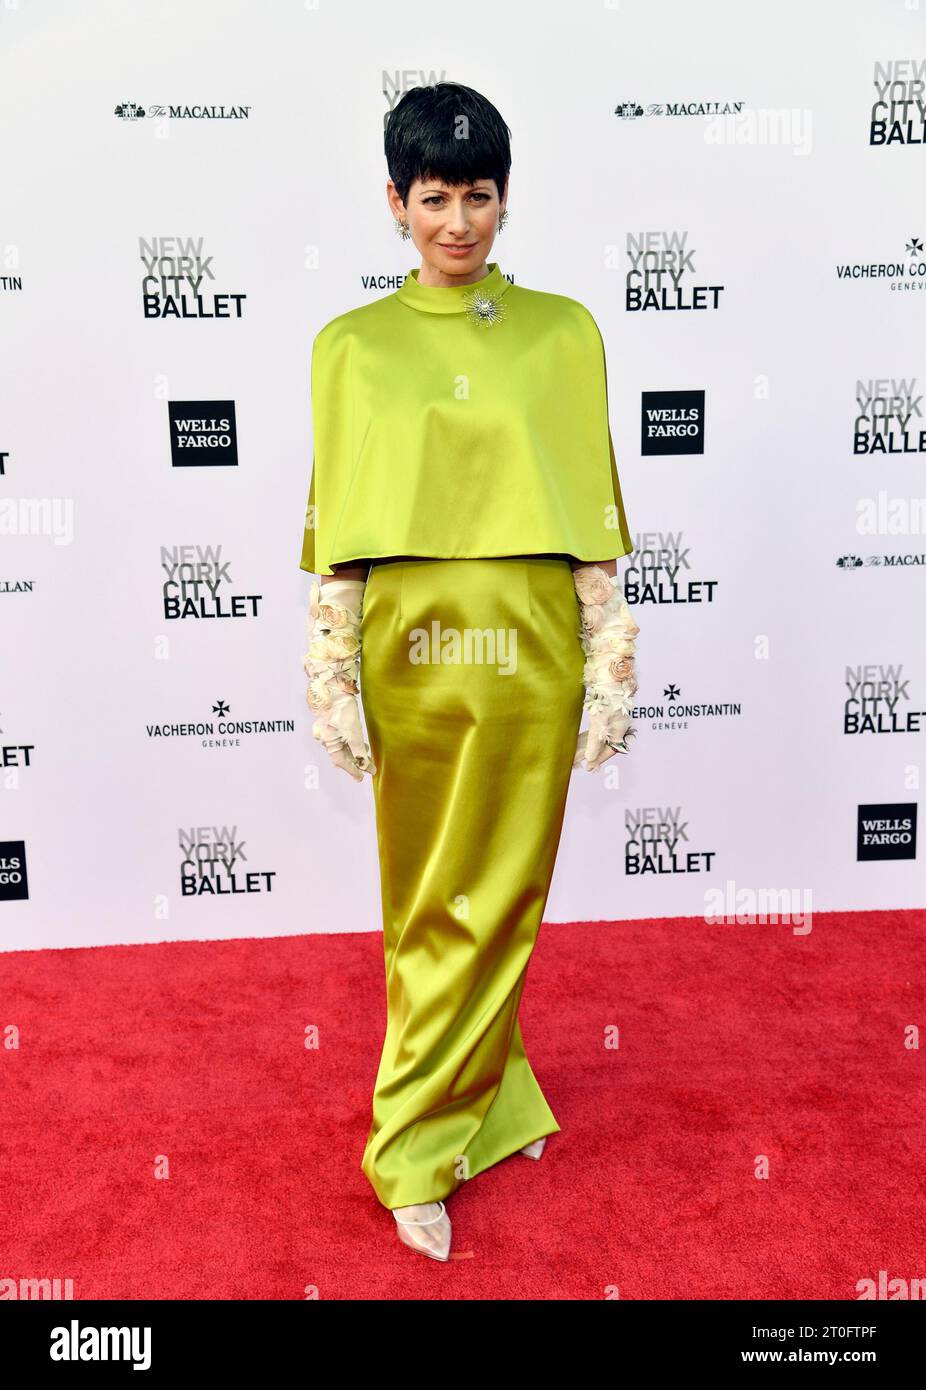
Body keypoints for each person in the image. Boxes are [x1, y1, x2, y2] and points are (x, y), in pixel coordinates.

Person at [300, 82, 640, 1263]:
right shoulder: (349, 347)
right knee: (428, 901)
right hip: (412, 656)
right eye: (433, 197)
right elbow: (342, 530)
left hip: (532, 647)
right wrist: (330, 665)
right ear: (393, 202)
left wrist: (612, 661)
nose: (458, 222)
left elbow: (588, 520)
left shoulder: (562, 332)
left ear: (505, 199)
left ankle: (484, 1102)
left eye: (478, 196)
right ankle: (411, 1144)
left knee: (503, 896)